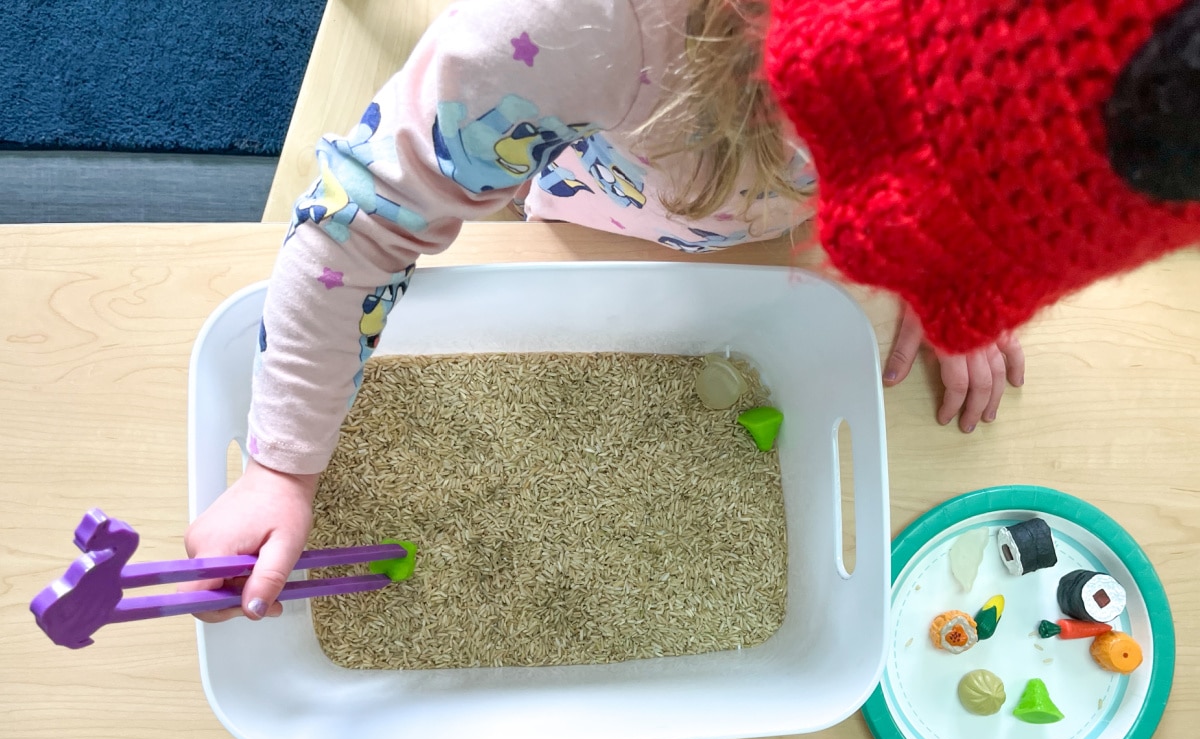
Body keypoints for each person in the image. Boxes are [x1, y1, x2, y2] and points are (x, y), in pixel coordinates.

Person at [187, 0, 1198, 623]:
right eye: (924, 187)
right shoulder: (573, 28)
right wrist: (281, 463)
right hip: (598, 211)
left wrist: (958, 278)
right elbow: (363, 219)